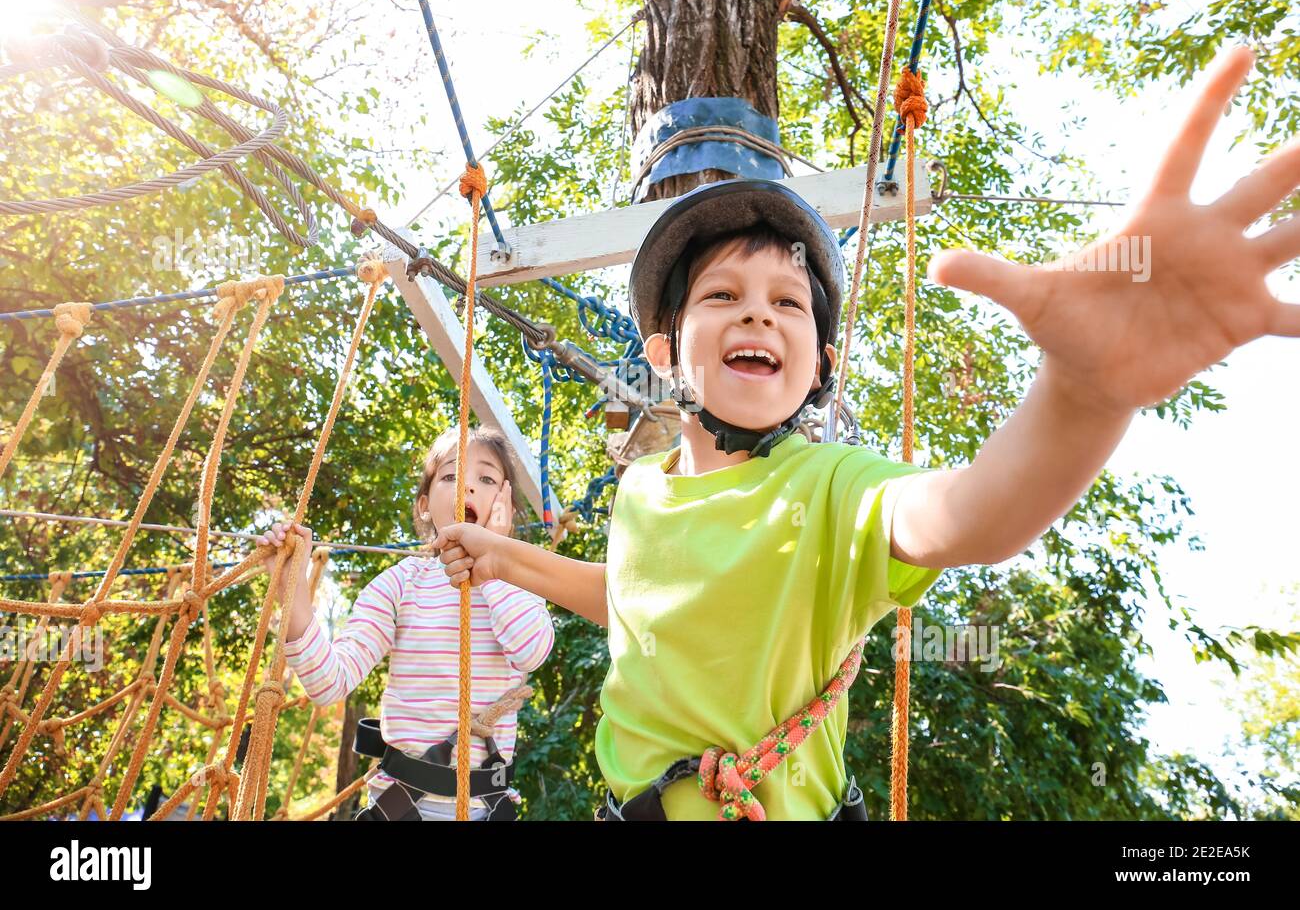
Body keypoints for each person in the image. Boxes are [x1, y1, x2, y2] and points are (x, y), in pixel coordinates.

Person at [430, 46, 1300, 819]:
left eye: (788, 305)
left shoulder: (834, 485)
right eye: (723, 297)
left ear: (821, 363)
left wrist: (1085, 394)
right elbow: (634, 595)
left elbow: (968, 514)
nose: (759, 319)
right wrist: (504, 557)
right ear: (664, 352)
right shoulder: (640, 493)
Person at [262, 425, 555, 820]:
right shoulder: (402, 583)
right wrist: (291, 588)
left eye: (486, 479)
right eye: (451, 476)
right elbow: (328, 682)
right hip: (399, 808)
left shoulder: (519, 583)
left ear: (505, 504)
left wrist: (496, 560)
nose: (467, 487)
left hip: (485, 810)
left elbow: (531, 651)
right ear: (423, 505)